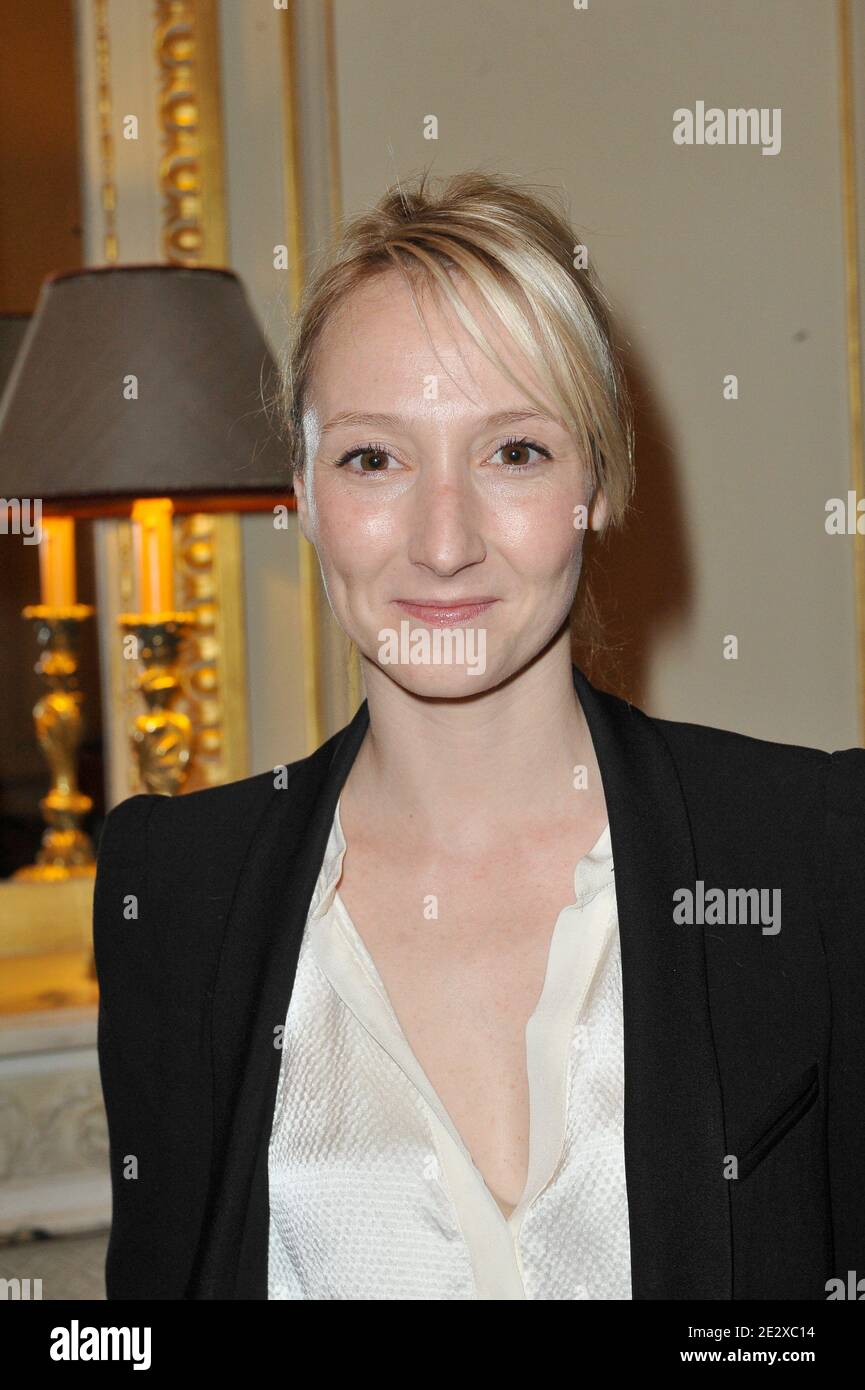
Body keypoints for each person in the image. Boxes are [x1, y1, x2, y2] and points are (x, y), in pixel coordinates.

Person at [94, 170, 865, 1301]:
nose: (442, 540)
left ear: (593, 480)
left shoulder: (810, 846)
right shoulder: (177, 892)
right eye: (373, 458)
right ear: (301, 491)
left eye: (513, 451)